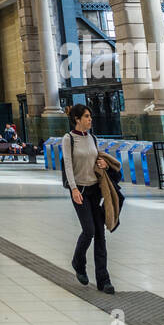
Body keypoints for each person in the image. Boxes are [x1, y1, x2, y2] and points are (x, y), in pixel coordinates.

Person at [62, 104, 115, 294]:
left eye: (90, 116)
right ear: (77, 119)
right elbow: (68, 165)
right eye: (86, 116)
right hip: (80, 190)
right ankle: (78, 261)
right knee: (89, 230)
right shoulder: (69, 139)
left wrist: (103, 164)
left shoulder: (92, 138)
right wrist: (74, 188)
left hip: (95, 189)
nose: (90, 119)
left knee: (100, 234)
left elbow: (96, 159)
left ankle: (104, 279)